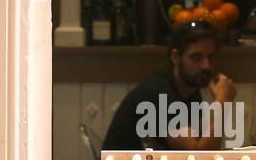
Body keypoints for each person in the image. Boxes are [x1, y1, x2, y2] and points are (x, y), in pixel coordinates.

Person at [101, 19, 237, 152]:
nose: (206, 66)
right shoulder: (159, 93)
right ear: (175, 57)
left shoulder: (190, 88)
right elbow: (198, 158)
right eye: (196, 57)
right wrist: (223, 102)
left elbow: (201, 144)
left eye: (211, 57)